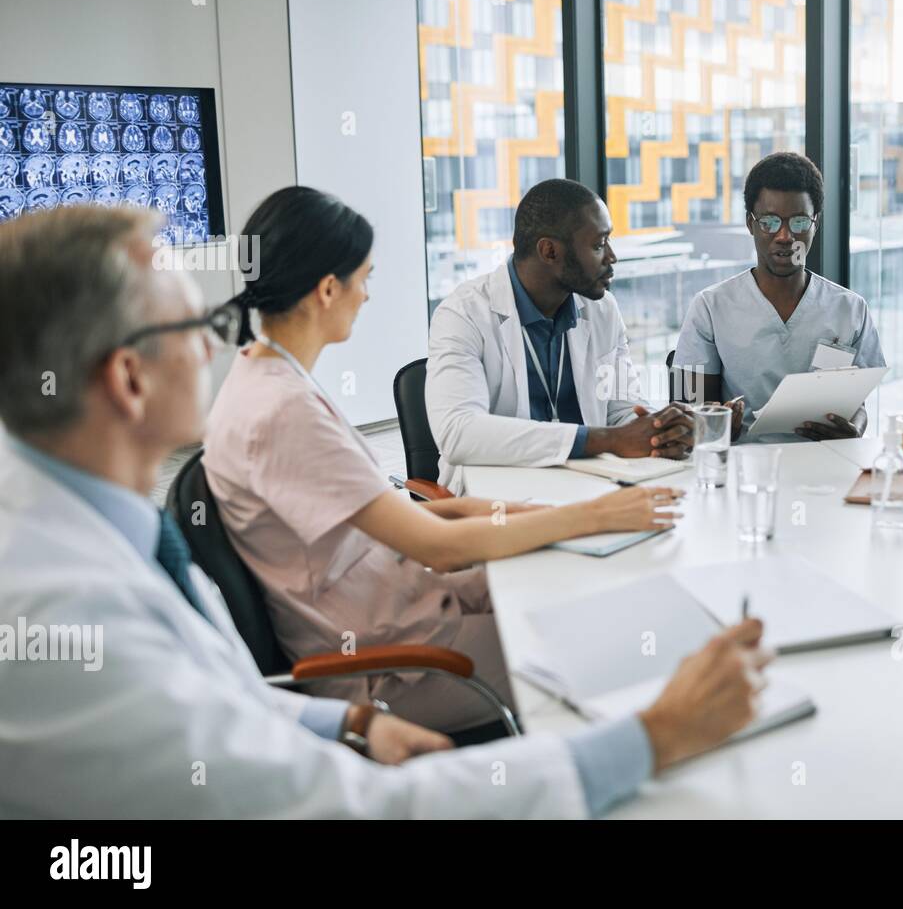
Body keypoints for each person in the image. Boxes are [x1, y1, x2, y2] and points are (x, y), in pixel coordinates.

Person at [0, 204, 771, 818]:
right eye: (193, 329)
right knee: (616, 662)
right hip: (391, 651)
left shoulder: (126, 529)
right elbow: (354, 805)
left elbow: (227, 698)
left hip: (384, 649)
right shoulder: (62, 613)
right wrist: (650, 738)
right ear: (129, 379)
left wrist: (346, 727)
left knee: (606, 619)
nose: (213, 349)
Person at [203, 187, 687, 735]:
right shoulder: (281, 410)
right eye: (364, 278)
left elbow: (412, 519)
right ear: (328, 289)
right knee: (616, 641)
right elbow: (433, 541)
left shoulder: (271, 378)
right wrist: (595, 517)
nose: (367, 296)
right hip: (389, 663)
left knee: (591, 589)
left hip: (406, 603)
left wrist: (549, 518)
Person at [426, 178, 694, 491]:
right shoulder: (463, 313)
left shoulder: (602, 310)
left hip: (587, 485)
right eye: (598, 244)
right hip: (497, 496)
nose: (612, 257)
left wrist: (659, 432)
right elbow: (459, 433)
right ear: (550, 251)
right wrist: (605, 439)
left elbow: (622, 409)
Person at [671, 152, 885, 442]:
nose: (784, 236)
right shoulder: (710, 307)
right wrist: (716, 425)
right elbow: (688, 408)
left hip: (823, 461)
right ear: (751, 223)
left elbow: (857, 405)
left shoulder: (850, 309)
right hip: (743, 466)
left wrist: (855, 429)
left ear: (815, 224)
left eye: (798, 222)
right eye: (769, 222)